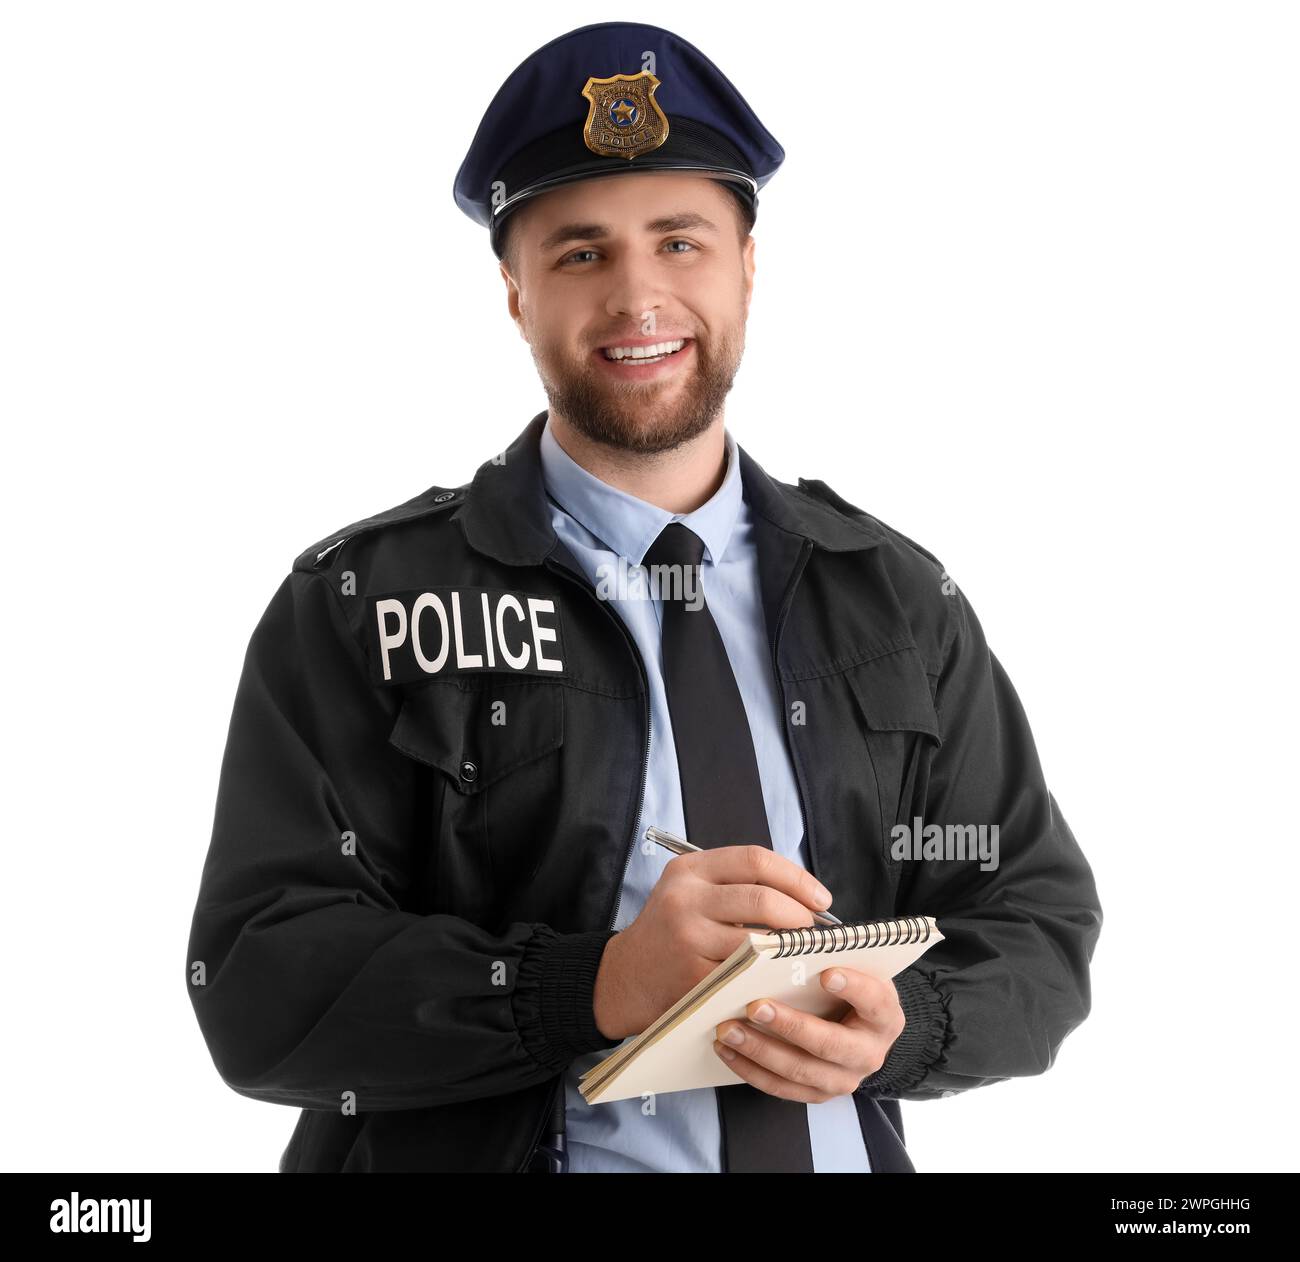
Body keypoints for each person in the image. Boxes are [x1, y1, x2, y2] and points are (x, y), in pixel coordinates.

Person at [186, 21, 1102, 1174]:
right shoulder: (365, 603)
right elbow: (263, 985)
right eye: (580, 253)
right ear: (515, 291)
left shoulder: (898, 599)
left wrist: (901, 1025)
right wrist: (594, 984)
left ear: (747, 266)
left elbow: (1036, 923)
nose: (639, 297)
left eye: (681, 241)